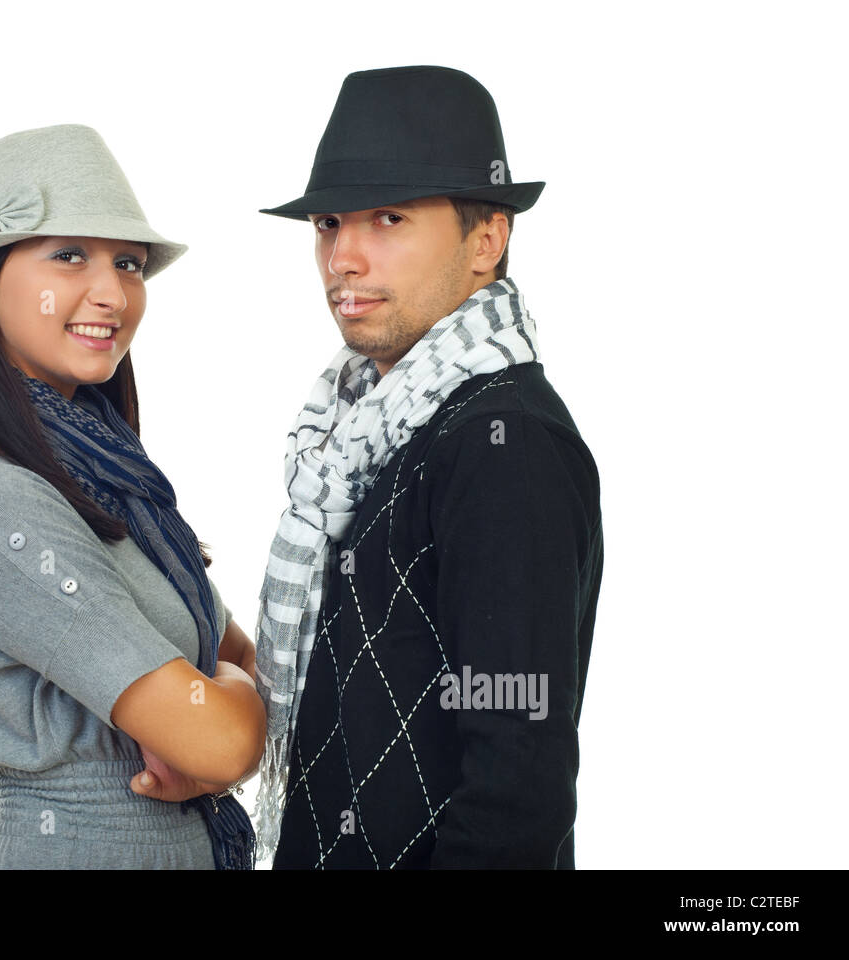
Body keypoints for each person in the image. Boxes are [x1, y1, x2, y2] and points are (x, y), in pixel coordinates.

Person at [251, 66, 604, 868]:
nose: (343, 257)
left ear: (488, 240)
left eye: (388, 218)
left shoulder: (501, 443)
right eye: (329, 224)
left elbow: (518, 787)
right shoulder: (364, 435)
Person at [0, 124, 264, 869]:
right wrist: (238, 710)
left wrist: (226, 703)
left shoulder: (102, 473)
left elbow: (237, 658)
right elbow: (220, 741)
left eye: (128, 263)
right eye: (69, 255)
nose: (113, 293)